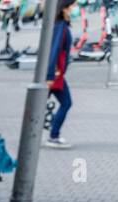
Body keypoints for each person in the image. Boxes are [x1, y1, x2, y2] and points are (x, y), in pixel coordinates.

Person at [45, 0, 78, 149]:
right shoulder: (60, 27)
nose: (74, 8)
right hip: (54, 74)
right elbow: (54, 51)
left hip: (55, 73)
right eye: (73, 5)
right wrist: (50, 75)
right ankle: (53, 135)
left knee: (40, 105)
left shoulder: (60, 25)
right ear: (64, 8)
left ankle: (49, 133)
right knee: (66, 102)